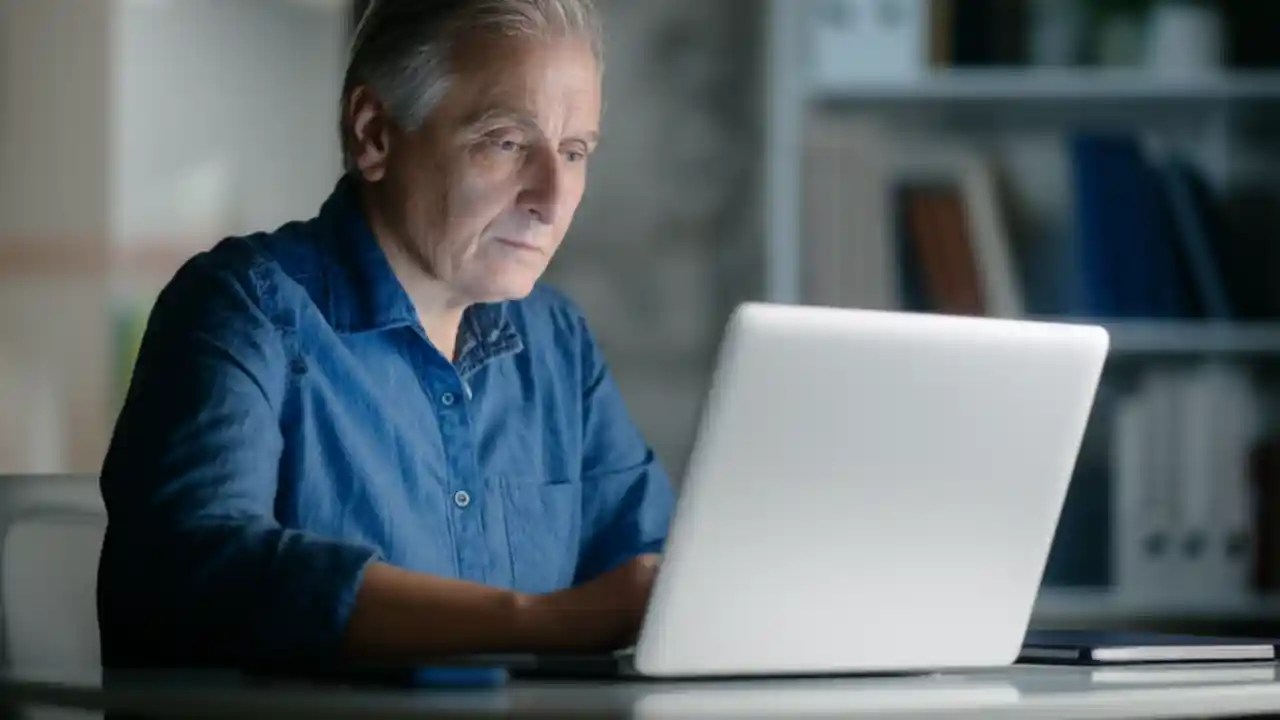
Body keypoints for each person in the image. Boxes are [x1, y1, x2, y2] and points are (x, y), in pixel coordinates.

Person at [96, 0, 674, 668]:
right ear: (374, 134)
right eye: (506, 142)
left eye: (574, 153)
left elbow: (655, 573)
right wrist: (540, 621)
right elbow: (195, 573)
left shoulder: (558, 345)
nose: (551, 195)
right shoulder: (243, 308)